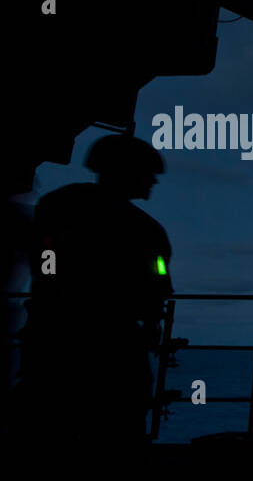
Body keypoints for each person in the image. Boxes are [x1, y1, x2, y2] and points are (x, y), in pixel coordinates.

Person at [16, 133, 173, 444]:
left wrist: (52, 291)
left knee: (45, 423)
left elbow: (45, 259)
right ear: (128, 172)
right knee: (117, 426)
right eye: (148, 174)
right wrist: (151, 318)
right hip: (115, 344)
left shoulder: (56, 207)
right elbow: (159, 282)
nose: (153, 182)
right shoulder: (148, 231)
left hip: (52, 335)